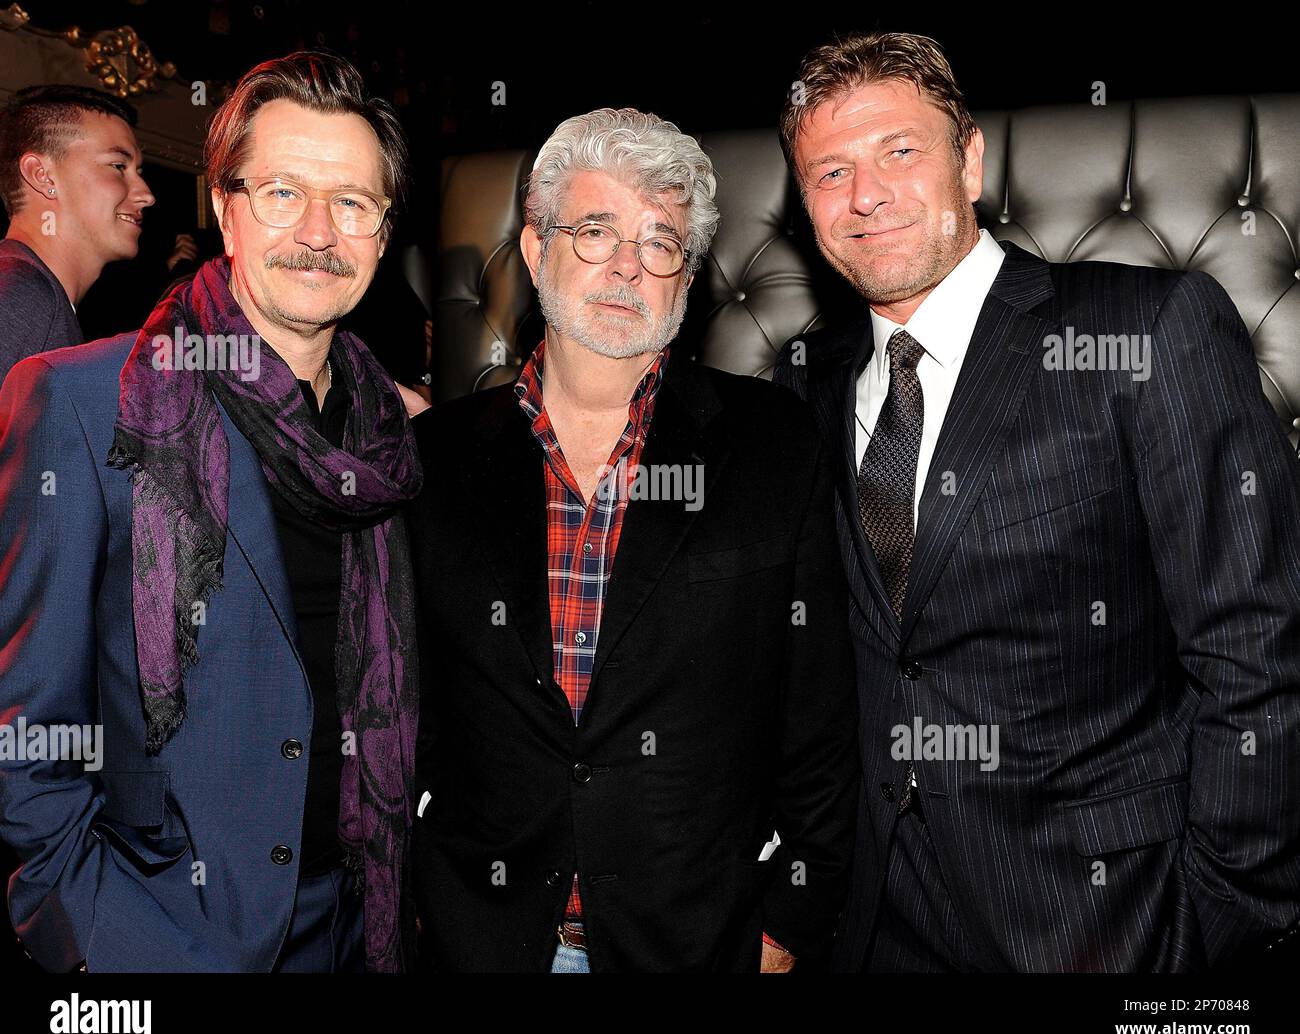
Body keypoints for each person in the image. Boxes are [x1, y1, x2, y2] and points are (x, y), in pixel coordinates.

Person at [773, 30, 1300, 972]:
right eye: (829, 171)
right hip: (875, 929)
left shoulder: (1143, 332)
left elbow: (1260, 654)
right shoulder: (804, 385)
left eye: (901, 151)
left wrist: (1217, 923)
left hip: (1111, 926)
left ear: (968, 161)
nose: (866, 195)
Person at [0, 50, 427, 973]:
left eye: (353, 203)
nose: (319, 232)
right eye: (282, 192)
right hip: (167, 935)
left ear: (384, 234)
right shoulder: (81, 403)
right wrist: (97, 936)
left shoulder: (390, 437)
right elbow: (26, 728)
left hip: (361, 928)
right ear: (226, 206)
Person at [408, 107, 858, 972]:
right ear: (536, 251)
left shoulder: (774, 443)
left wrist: (789, 924)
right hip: (483, 938)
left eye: (660, 243)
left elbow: (823, 720)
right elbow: (405, 706)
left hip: (703, 945)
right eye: (595, 230)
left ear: (685, 283)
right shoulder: (433, 460)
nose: (625, 264)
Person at [0, 85, 154, 379]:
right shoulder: (20, 292)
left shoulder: (39, 297)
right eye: (118, 166)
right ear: (42, 175)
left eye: (139, 172)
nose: (146, 195)